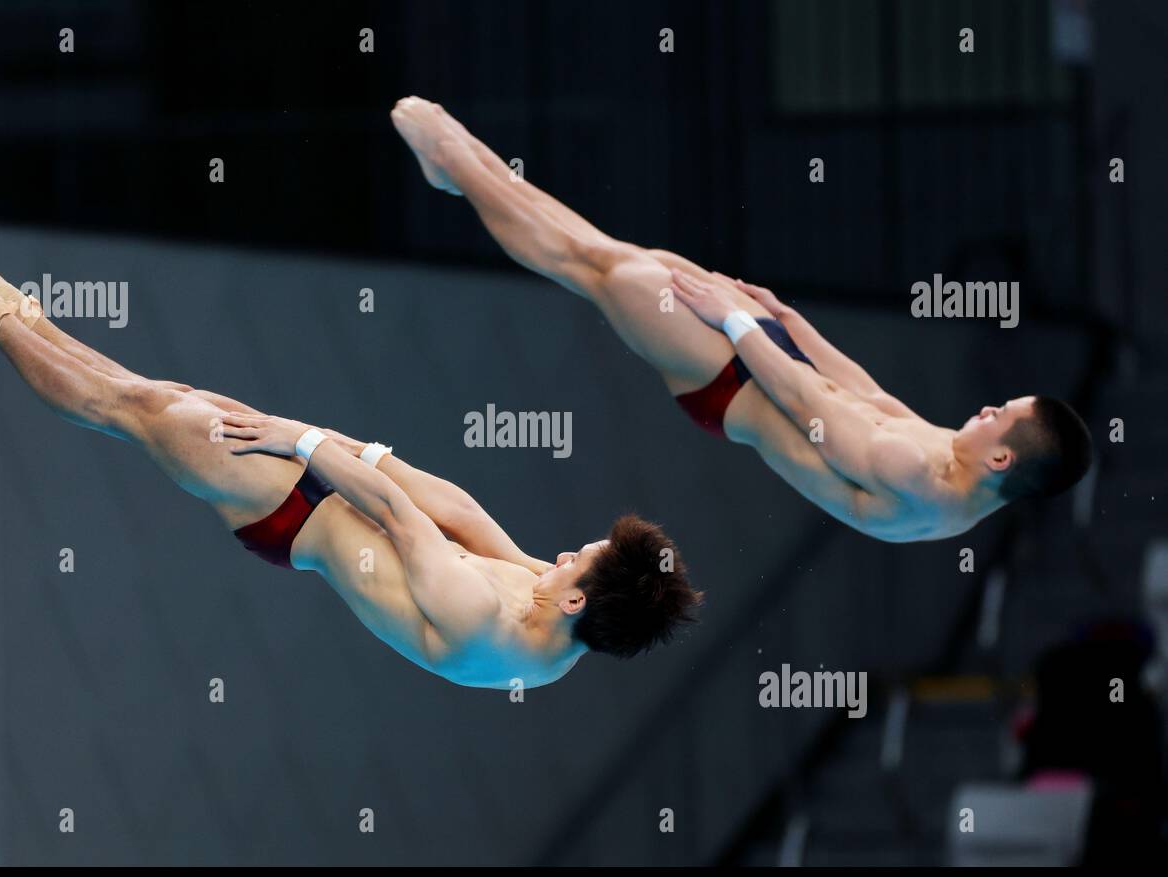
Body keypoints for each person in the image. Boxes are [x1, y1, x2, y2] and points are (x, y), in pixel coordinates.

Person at [0, 246, 699, 688]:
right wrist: (343, 448)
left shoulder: (484, 629)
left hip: (294, 514)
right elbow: (455, 511)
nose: (562, 552)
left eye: (578, 558)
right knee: (160, 399)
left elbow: (401, 517)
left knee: (127, 411)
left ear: (575, 602)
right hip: (327, 482)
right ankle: (24, 322)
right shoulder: (551, 603)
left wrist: (301, 438)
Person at [391, 96, 1094, 543]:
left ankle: (454, 159)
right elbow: (869, 396)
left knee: (589, 269)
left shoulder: (921, 481)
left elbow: (805, 402)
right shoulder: (957, 460)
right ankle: (465, 166)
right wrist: (792, 320)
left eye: (998, 412)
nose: (985, 407)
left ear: (1002, 458)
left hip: (733, 380)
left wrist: (737, 322)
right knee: (607, 252)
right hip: (766, 352)